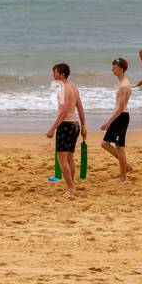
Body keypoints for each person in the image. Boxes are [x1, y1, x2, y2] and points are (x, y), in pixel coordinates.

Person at [45, 62, 86, 198]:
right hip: (75, 124)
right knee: (70, 159)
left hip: (66, 125)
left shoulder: (63, 89)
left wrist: (52, 129)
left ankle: (71, 188)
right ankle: (71, 185)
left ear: (62, 74)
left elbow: (62, 113)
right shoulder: (73, 87)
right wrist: (84, 126)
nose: (53, 74)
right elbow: (80, 108)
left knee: (62, 160)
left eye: (55, 72)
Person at [100, 57, 134, 182]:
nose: (112, 70)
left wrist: (108, 122)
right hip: (119, 117)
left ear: (121, 69)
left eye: (114, 68)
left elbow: (120, 108)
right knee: (105, 144)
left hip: (121, 117)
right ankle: (126, 165)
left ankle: (123, 177)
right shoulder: (122, 83)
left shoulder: (124, 85)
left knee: (119, 147)